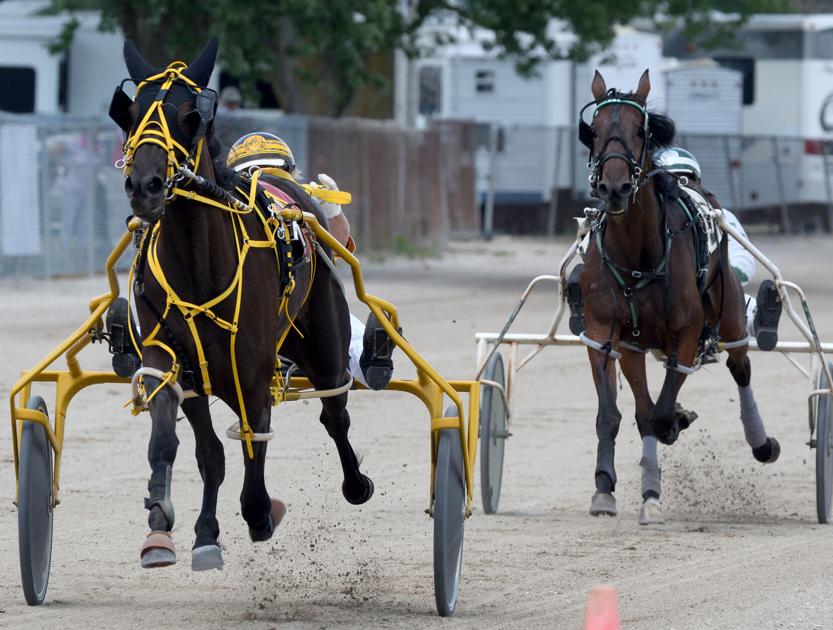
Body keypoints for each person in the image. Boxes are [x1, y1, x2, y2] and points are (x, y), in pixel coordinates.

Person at [566, 146, 782, 351]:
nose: (678, 189)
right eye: (670, 181)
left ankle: (759, 319)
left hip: (705, 290)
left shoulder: (716, 214)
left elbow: (743, 256)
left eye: (685, 181)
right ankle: (587, 304)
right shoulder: (642, 222)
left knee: (721, 293)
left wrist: (722, 278)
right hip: (656, 296)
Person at [225, 131, 396, 389]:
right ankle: (364, 359)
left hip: (282, 306)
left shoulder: (300, 202)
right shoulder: (229, 211)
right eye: (257, 172)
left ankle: (369, 360)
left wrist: (331, 212)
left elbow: (336, 249)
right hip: (273, 310)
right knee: (336, 319)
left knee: (333, 313)